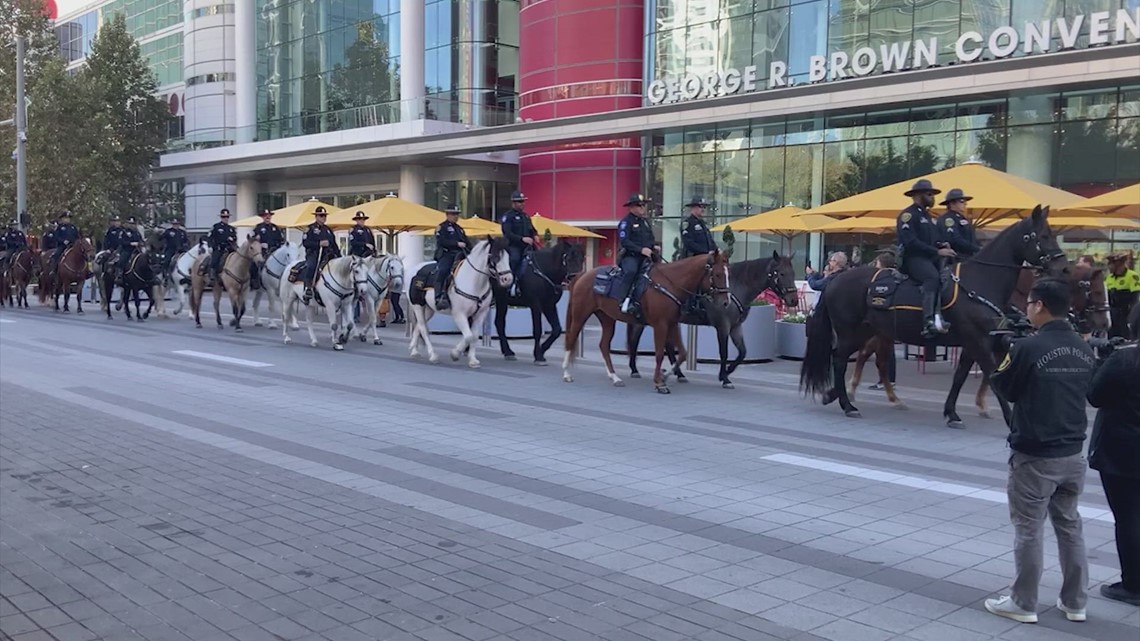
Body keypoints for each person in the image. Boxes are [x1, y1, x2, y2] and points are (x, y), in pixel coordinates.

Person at [986, 277, 1096, 624]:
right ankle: (1075, 602)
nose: (1027, 309)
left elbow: (1006, 388)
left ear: (1039, 306)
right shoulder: (1083, 348)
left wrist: (1004, 350)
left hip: (1035, 453)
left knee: (1028, 528)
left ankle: (1023, 602)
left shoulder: (1027, 348)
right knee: (1070, 526)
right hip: (1073, 451)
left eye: (1029, 304)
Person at [1086, 339, 1140, 606]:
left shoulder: (1125, 361)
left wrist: (1100, 361)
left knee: (1128, 517)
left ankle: (1133, 584)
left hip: (1122, 451)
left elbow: (1095, 395)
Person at [896, 179, 956, 338]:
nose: (932, 197)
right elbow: (911, 242)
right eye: (929, 194)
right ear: (918, 195)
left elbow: (933, 239)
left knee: (951, 276)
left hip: (929, 258)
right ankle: (928, 321)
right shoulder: (908, 215)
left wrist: (943, 245)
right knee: (932, 277)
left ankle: (943, 315)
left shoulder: (928, 217)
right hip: (913, 258)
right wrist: (937, 252)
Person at [615, 193, 656, 314]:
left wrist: (653, 246)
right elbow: (625, 241)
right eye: (640, 205)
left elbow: (650, 238)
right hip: (631, 256)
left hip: (647, 255)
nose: (643, 208)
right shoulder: (626, 222)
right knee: (631, 272)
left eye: (644, 205)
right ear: (632, 207)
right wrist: (641, 249)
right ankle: (623, 300)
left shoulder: (645, 222)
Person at [869, 250, 898, 391]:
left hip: (883, 317)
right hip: (889, 317)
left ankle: (886, 379)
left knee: (884, 349)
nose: (876, 266)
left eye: (877, 263)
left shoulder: (883, 279)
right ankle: (888, 378)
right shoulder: (895, 277)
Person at [500, 191, 539, 296]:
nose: (522, 204)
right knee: (515, 259)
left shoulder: (526, 216)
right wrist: (522, 239)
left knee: (540, 257)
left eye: (523, 201)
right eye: (520, 202)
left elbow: (532, 229)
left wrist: (535, 235)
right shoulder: (508, 216)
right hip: (514, 246)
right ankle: (511, 284)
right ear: (513, 203)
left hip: (528, 246)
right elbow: (507, 233)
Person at [433, 206, 469, 311]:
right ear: (447, 214)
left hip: (460, 254)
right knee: (443, 271)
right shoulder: (441, 227)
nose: (456, 216)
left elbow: (467, 242)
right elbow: (441, 241)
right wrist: (456, 243)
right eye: (453, 214)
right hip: (447, 254)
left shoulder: (459, 229)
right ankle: (439, 296)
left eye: (457, 214)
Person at [301, 206, 339, 304]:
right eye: (321, 216)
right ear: (316, 216)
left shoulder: (328, 230)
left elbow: (334, 245)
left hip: (327, 255)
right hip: (314, 254)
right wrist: (319, 244)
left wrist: (339, 257)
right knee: (311, 266)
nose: (323, 218)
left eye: (325, 216)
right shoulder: (310, 228)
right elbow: (306, 243)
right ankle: (307, 288)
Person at [937, 188, 981, 258]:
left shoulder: (962, 218)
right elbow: (955, 239)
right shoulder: (948, 219)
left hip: (968, 257)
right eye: (962, 201)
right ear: (952, 203)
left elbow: (971, 238)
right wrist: (977, 249)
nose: (965, 204)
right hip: (955, 258)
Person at [1105, 253, 1140, 339]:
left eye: (1111, 264)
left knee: (1126, 338)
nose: (1109, 267)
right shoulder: (1109, 277)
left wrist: (1132, 316)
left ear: (1119, 265)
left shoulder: (1132, 276)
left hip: (1125, 314)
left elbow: (1135, 298)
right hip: (1113, 314)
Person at [251, 209, 284, 290]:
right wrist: (261, 244)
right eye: (265, 216)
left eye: (269, 215)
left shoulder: (275, 227)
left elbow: (281, 239)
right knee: (254, 264)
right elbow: (254, 240)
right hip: (263, 251)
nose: (267, 217)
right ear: (262, 217)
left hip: (275, 250)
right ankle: (255, 281)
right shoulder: (258, 228)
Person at [206, 208, 237, 287]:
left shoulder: (231, 228)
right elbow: (209, 237)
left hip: (229, 247)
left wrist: (232, 239)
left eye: (227, 217)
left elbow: (235, 238)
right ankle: (212, 276)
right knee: (215, 259)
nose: (226, 218)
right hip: (219, 247)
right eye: (224, 217)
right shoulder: (216, 227)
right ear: (221, 217)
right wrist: (210, 246)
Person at [50, 212, 79, 277]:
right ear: (62, 219)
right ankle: (53, 270)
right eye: (65, 218)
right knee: (56, 254)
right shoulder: (60, 227)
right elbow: (56, 237)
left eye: (68, 218)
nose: (67, 220)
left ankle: (87, 271)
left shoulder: (73, 227)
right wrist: (63, 241)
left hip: (73, 245)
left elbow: (77, 237)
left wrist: (75, 242)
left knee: (82, 254)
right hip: (62, 246)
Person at [116, 216, 144, 285]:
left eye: (133, 223)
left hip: (137, 250)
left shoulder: (137, 232)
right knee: (122, 260)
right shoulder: (123, 232)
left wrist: (141, 243)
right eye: (130, 223)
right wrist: (131, 243)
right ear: (127, 224)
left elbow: (141, 240)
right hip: (127, 250)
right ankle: (119, 275)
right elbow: (121, 242)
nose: (132, 225)